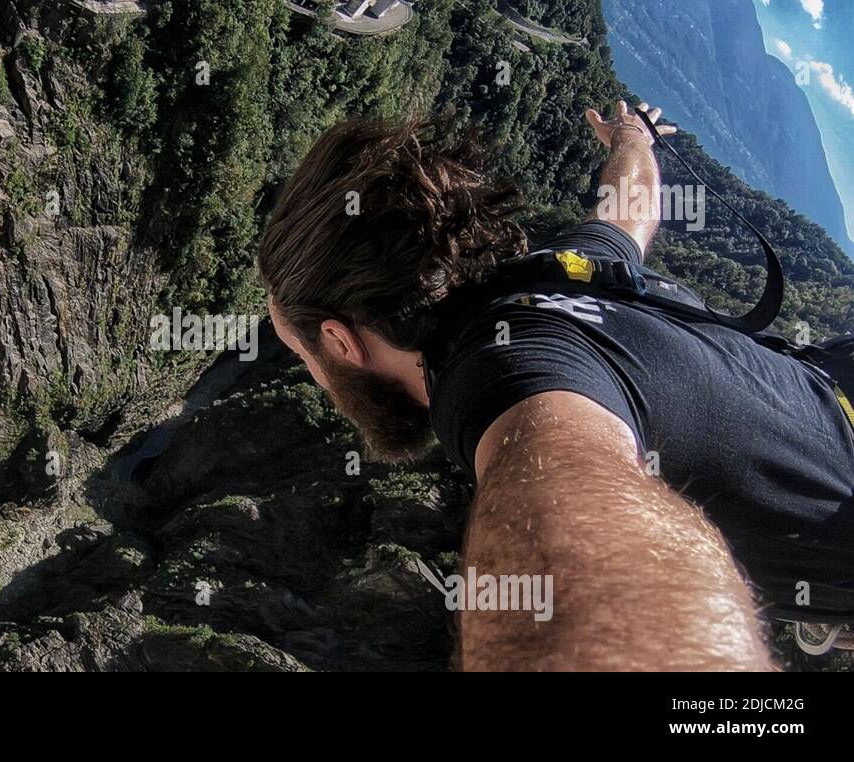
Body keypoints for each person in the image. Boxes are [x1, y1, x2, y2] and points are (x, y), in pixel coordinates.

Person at [257, 101, 854, 670]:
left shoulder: (498, 384)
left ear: (339, 342)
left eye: (302, 352)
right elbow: (627, 208)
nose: (318, 380)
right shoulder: (556, 272)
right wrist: (632, 138)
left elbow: (588, 594)